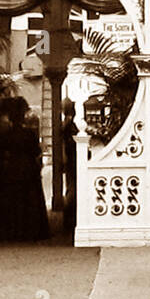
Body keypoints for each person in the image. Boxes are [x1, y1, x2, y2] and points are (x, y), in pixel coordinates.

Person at [0, 96, 50, 242]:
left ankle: (14, 230)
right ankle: (29, 230)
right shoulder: (28, 134)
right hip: (27, 169)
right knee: (28, 200)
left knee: (13, 200)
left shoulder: (5, 135)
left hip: (11, 169)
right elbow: (35, 151)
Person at [59, 99, 80, 239]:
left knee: (71, 188)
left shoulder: (66, 124)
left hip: (71, 160)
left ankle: (69, 218)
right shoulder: (69, 126)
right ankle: (69, 219)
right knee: (72, 190)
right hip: (73, 160)